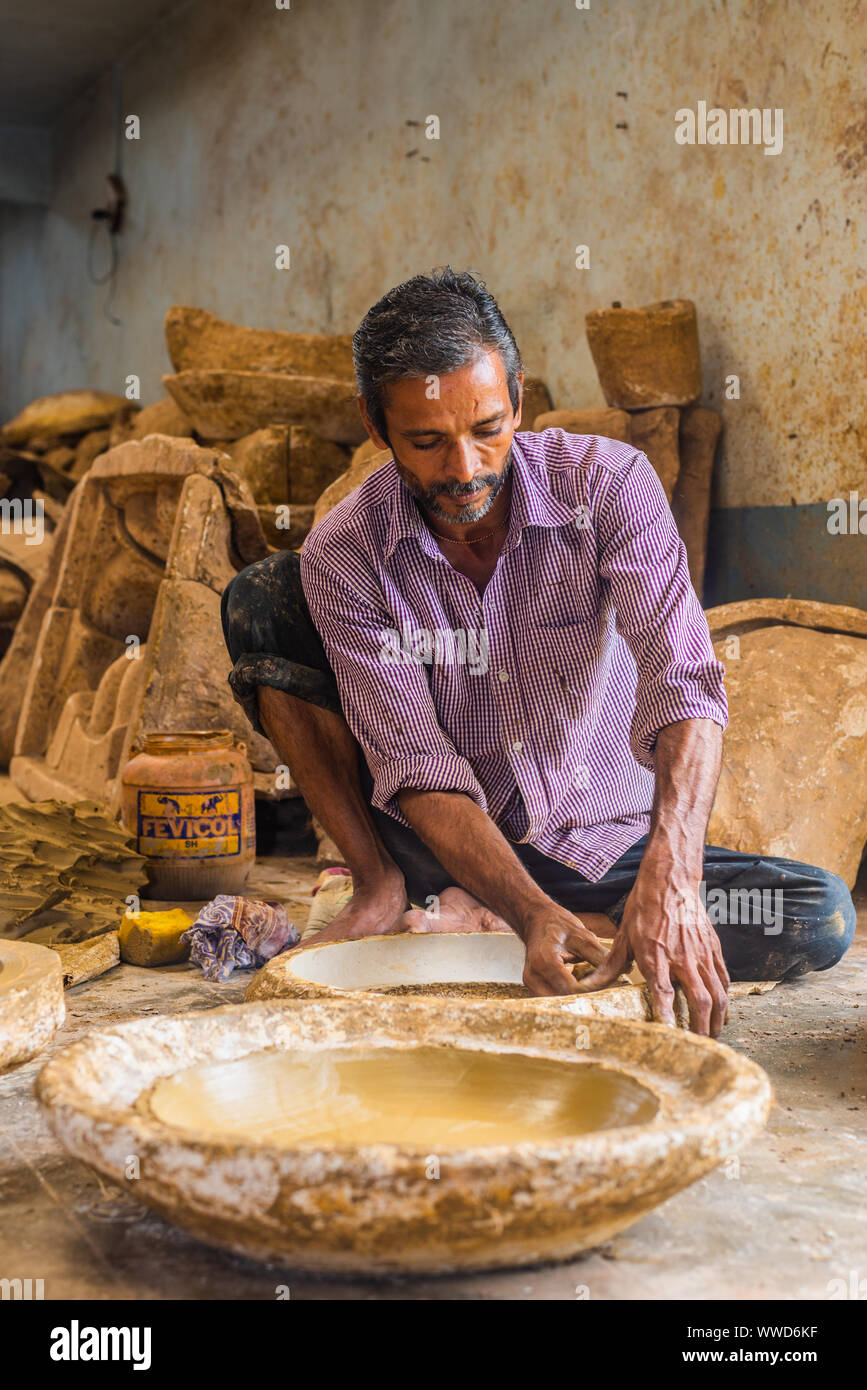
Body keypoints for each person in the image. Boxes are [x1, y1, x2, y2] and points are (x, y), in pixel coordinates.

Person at [221, 267, 855, 1036]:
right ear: (374, 423)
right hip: (444, 842)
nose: (464, 469)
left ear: (516, 398)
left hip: (601, 844)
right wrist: (524, 908)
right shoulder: (347, 552)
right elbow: (419, 766)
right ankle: (386, 889)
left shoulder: (610, 484)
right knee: (262, 593)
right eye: (426, 441)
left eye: (487, 428)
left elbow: (683, 682)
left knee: (814, 915)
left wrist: (675, 875)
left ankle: (527, 918)